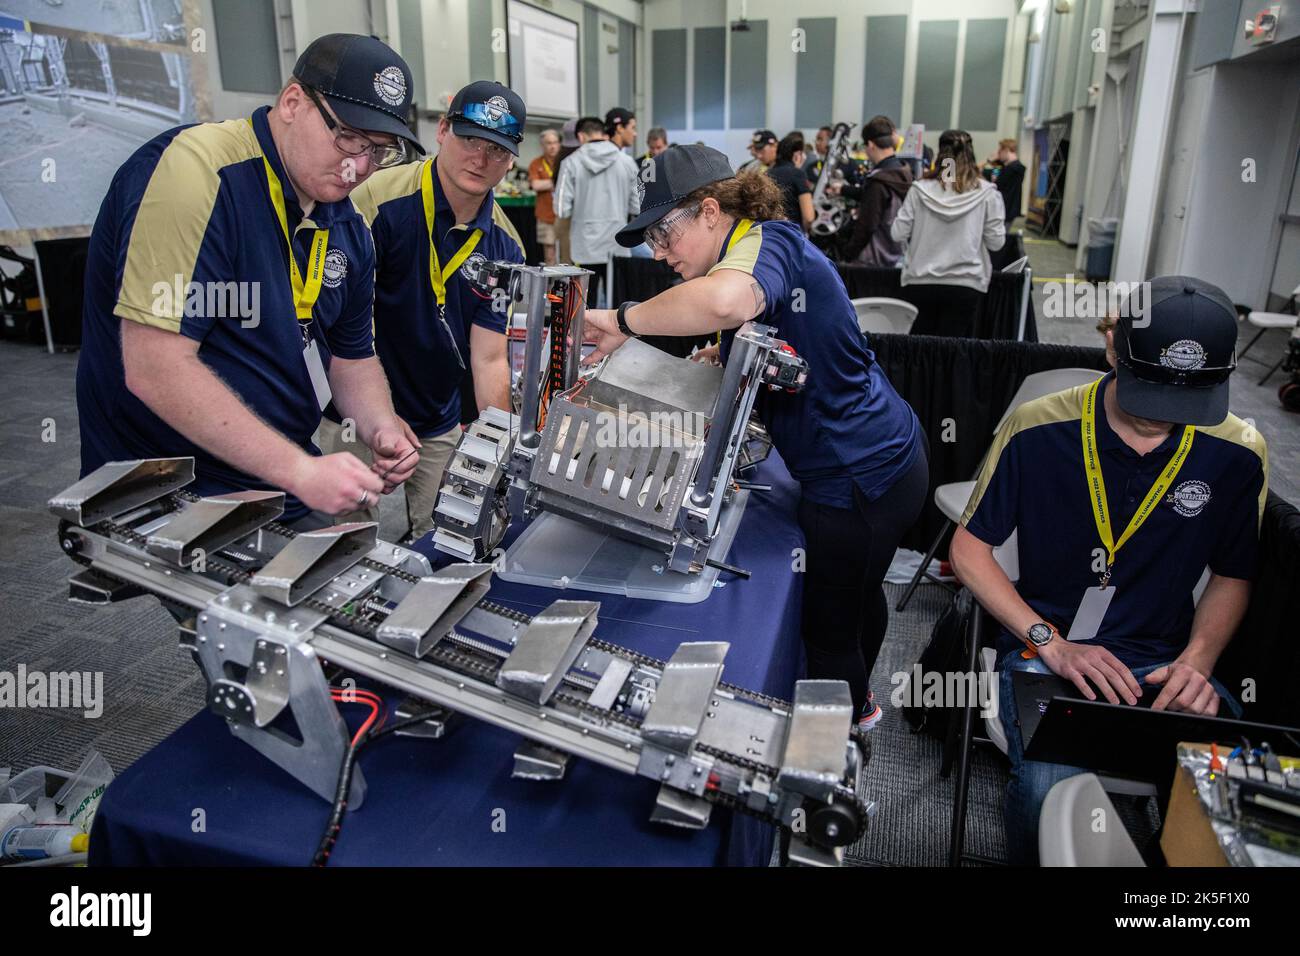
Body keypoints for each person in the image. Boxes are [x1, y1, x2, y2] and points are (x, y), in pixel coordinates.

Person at [582, 145, 929, 729]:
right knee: (860, 593)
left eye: (665, 234)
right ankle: (860, 701)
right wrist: (731, 350)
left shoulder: (769, 244)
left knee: (827, 630)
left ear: (710, 211)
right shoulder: (758, 246)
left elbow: (723, 300)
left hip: (857, 475)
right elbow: (774, 325)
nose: (659, 253)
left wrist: (621, 321)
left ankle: (835, 755)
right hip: (889, 457)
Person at [950, 276, 1267, 865]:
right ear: (1114, 349)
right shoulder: (1038, 427)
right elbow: (968, 551)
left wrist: (1198, 662)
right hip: (1045, 653)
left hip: (1166, 658)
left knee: (1246, 798)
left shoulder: (1239, 450)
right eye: (1149, 393)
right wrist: (1053, 643)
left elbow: (1233, 572)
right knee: (1049, 793)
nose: (1162, 419)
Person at [77, 33, 423, 528]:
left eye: (379, 151)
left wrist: (381, 425)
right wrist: (300, 470)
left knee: (353, 593)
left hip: (275, 471)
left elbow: (352, 356)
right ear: (291, 102)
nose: (359, 166)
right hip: (169, 483)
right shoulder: (197, 172)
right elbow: (155, 366)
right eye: (348, 136)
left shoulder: (347, 226)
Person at [315, 80, 528, 541]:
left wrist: (499, 445)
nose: (480, 158)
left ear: (511, 159)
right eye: (470, 138)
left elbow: (489, 357)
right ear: (443, 131)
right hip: (354, 407)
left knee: (449, 537)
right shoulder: (374, 201)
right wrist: (380, 413)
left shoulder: (507, 247)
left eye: (496, 148)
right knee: (345, 544)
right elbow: (341, 319)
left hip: (438, 415)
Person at [890, 129, 1005, 336]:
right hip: (966, 283)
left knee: (921, 353)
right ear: (971, 155)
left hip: (921, 281)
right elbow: (996, 242)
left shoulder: (919, 190)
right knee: (953, 352)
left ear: (939, 154)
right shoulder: (988, 194)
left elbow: (897, 233)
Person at [555, 115, 640, 307]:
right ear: (603, 133)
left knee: (585, 303)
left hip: (584, 245)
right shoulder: (627, 162)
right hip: (617, 242)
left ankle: (584, 336)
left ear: (580, 136)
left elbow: (561, 209)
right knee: (618, 303)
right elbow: (637, 206)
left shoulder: (570, 163)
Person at [834, 115, 914, 267]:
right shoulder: (905, 173)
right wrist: (843, 189)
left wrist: (848, 254)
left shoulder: (878, 182)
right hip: (898, 258)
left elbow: (867, 225)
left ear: (870, 145)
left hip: (872, 261)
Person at [766, 131, 813, 232]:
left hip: (770, 233)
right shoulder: (798, 174)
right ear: (797, 155)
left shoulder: (766, 174)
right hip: (793, 234)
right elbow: (809, 217)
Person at [553, 118, 585, 263]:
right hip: (577, 220)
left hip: (563, 221)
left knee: (566, 265)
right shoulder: (577, 161)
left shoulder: (560, 160)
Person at [529, 128, 561, 264]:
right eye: (548, 143)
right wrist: (557, 182)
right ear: (542, 145)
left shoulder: (566, 161)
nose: (553, 146)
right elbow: (535, 185)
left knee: (567, 254)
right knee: (549, 255)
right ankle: (551, 285)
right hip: (545, 216)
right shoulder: (536, 163)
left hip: (564, 215)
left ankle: (568, 285)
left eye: (555, 142)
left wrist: (546, 184)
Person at [985, 138, 1026, 225]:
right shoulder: (1010, 168)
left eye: (1000, 151)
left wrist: (990, 161)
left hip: (1006, 210)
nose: (999, 155)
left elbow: (995, 184)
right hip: (1006, 210)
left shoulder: (1013, 168)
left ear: (1006, 150)